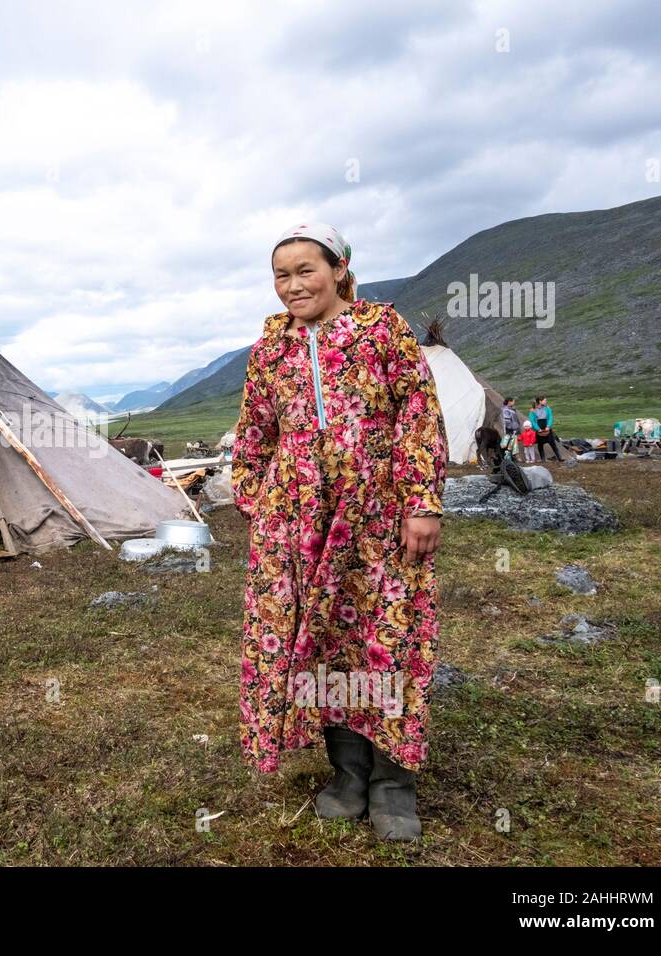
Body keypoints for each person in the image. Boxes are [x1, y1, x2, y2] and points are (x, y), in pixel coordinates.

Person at [232, 222, 447, 842]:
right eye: (281, 274)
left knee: (386, 635)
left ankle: (391, 782)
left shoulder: (383, 330)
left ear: (340, 268)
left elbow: (418, 413)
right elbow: (254, 433)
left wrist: (422, 501)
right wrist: (260, 504)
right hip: (297, 523)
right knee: (319, 639)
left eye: (306, 270)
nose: (293, 285)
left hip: (377, 513)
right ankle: (347, 772)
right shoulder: (269, 350)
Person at [530, 396, 564, 461]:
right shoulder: (533, 410)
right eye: (544, 400)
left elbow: (550, 417)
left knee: (553, 443)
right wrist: (537, 428)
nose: (546, 402)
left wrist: (548, 426)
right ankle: (543, 459)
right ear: (540, 401)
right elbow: (532, 420)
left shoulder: (547, 408)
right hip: (539, 427)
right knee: (540, 444)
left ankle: (559, 457)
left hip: (547, 427)